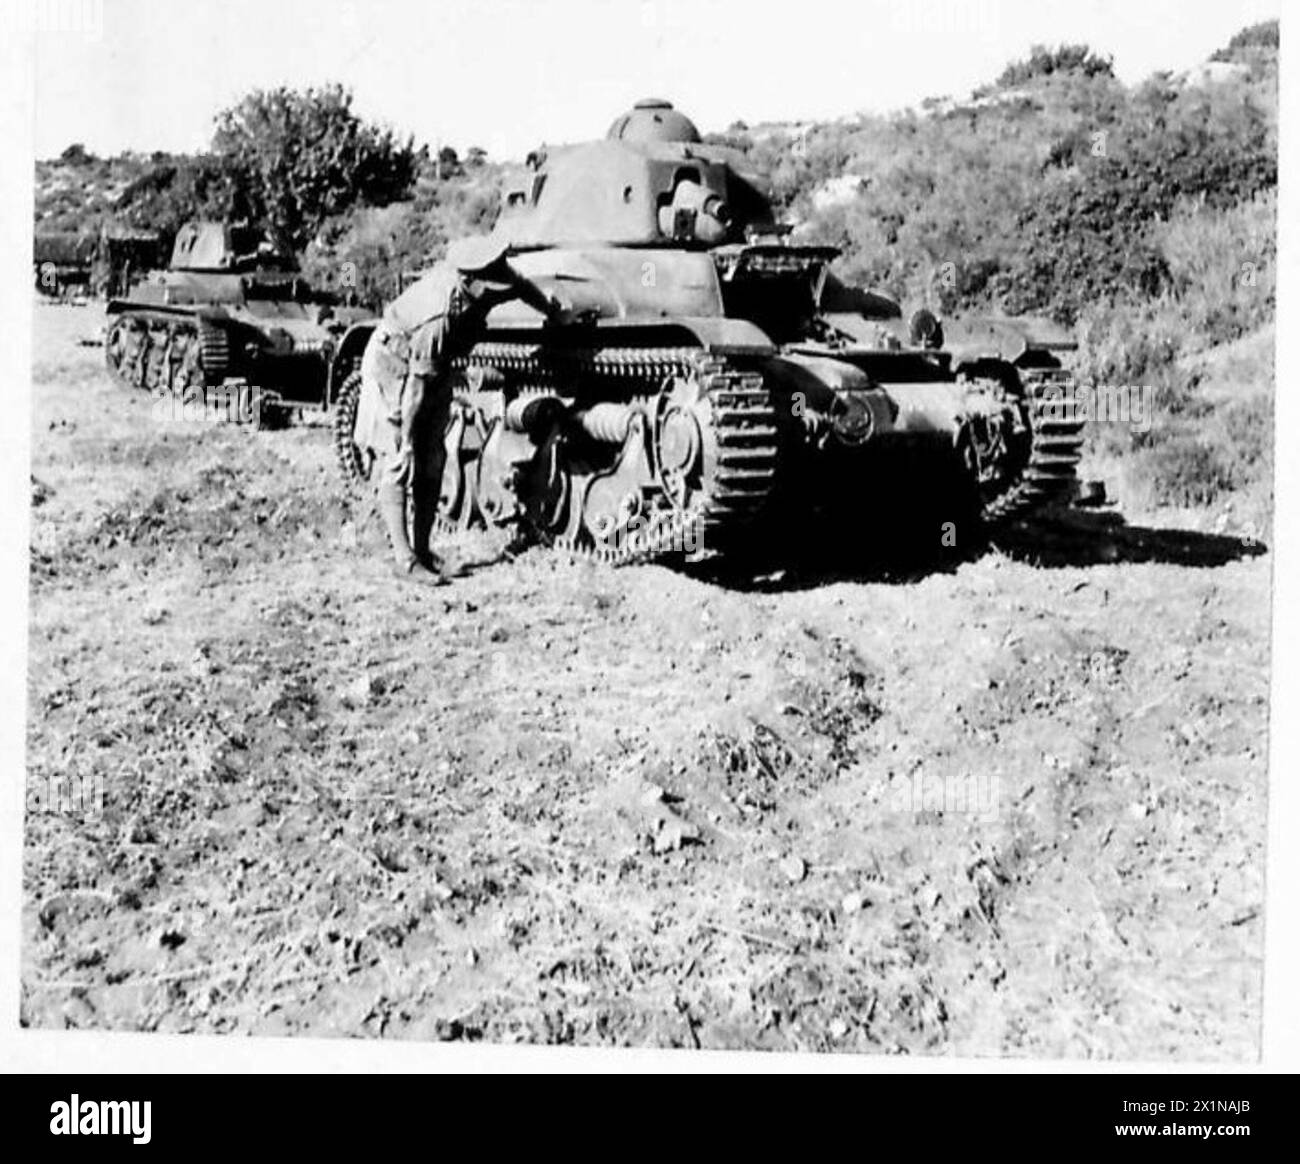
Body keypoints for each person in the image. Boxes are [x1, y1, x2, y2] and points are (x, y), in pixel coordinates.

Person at [354, 235, 571, 583]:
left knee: (434, 458)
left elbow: (520, 286)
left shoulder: (488, 278)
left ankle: (424, 551)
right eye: (487, 286)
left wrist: (552, 312)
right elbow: (416, 389)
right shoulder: (436, 317)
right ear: (467, 282)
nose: (493, 291)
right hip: (397, 364)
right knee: (402, 460)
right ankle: (404, 558)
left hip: (436, 366)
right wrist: (408, 440)